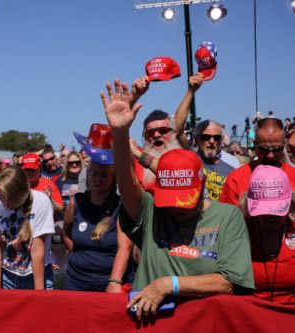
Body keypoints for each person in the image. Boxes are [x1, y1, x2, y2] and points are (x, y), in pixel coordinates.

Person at [101, 78, 254, 320]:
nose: (177, 208)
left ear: (202, 183)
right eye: (171, 199)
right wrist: (120, 132)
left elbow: (229, 281)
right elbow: (128, 181)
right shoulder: (151, 213)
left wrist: (169, 284)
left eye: (185, 199)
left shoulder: (227, 217)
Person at [63, 125, 132, 292]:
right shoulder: (76, 202)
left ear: (112, 179)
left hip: (107, 283)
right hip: (76, 281)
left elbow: (125, 247)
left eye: (104, 175)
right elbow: (66, 232)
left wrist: (114, 281)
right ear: (87, 176)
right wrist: (80, 256)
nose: (97, 179)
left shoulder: (120, 206)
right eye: (93, 174)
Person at [0, 166, 55, 289]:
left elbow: (37, 251)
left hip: (37, 273)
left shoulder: (41, 202)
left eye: (5, 197)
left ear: (19, 196)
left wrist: (39, 294)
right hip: (7, 275)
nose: (1, 201)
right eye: (0, 196)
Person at [239, 166, 295, 304]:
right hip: (250, 312)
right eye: (264, 209)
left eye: (278, 208)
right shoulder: (239, 230)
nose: (272, 216)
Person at [221, 118, 295, 206]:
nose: (270, 155)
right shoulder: (235, 180)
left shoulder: (293, 176)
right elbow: (227, 217)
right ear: (255, 144)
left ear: (284, 145)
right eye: (264, 149)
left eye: (277, 149)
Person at [193, 120, 237, 201]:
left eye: (216, 138)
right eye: (206, 137)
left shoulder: (232, 171)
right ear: (196, 139)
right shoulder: (188, 163)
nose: (212, 141)